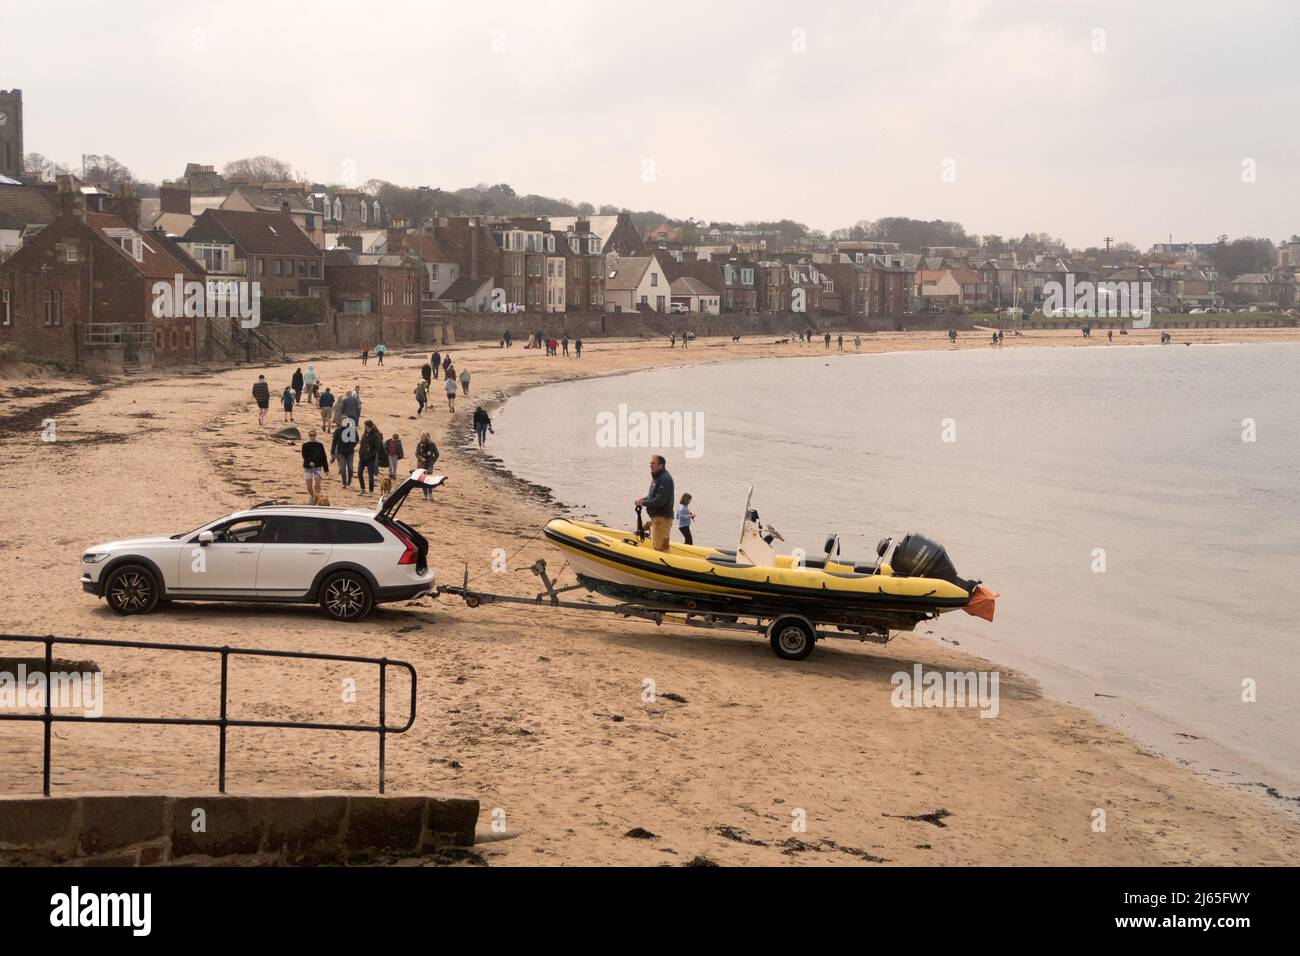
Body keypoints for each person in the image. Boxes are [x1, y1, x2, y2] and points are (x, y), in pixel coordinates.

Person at [330, 415, 357, 489]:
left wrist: (352, 446)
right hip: (341, 452)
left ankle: (350, 478)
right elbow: (334, 442)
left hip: (350, 453)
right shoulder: (338, 431)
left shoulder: (352, 430)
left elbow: (357, 439)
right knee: (342, 468)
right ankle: (344, 483)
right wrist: (332, 453)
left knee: (350, 468)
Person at [357, 420, 384, 494]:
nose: (365, 428)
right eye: (365, 426)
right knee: (359, 473)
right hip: (362, 457)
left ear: (370, 427)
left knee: (370, 475)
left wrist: (371, 455)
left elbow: (377, 448)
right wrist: (360, 453)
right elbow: (362, 444)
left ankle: (371, 491)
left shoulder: (375, 436)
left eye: (366, 426)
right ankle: (362, 489)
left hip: (370, 459)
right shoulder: (364, 434)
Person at [301, 429, 328, 500]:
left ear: (316, 436)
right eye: (311, 435)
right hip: (308, 467)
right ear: (309, 436)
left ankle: (317, 499)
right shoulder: (305, 445)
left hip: (318, 466)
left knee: (318, 484)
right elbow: (304, 456)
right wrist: (309, 462)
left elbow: (324, 457)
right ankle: (313, 497)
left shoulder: (320, 445)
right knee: (309, 487)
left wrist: (326, 469)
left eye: (314, 435)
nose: (312, 436)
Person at [415, 433, 439, 498]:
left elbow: (437, 454)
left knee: (429, 479)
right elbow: (416, 454)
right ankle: (425, 495)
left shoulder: (432, 445)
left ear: (426, 438)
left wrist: (433, 461)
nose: (421, 439)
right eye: (421, 438)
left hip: (429, 464)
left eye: (423, 438)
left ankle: (430, 494)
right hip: (421, 464)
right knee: (423, 480)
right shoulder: (419, 444)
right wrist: (421, 458)